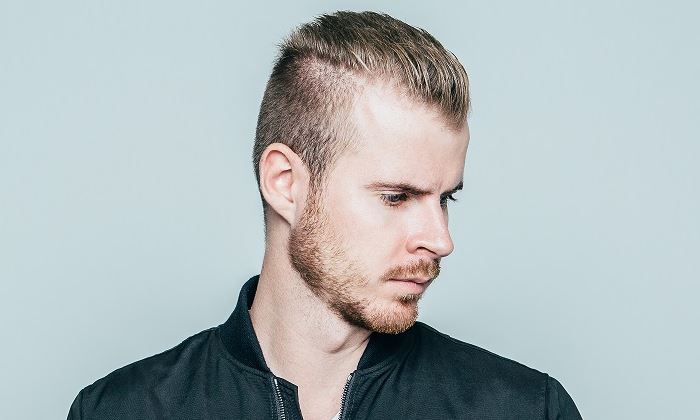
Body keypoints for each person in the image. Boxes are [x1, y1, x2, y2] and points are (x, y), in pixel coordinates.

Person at [68, 11, 582, 420]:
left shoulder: (525, 409)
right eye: (396, 197)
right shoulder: (121, 411)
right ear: (285, 183)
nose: (440, 240)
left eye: (445, 198)